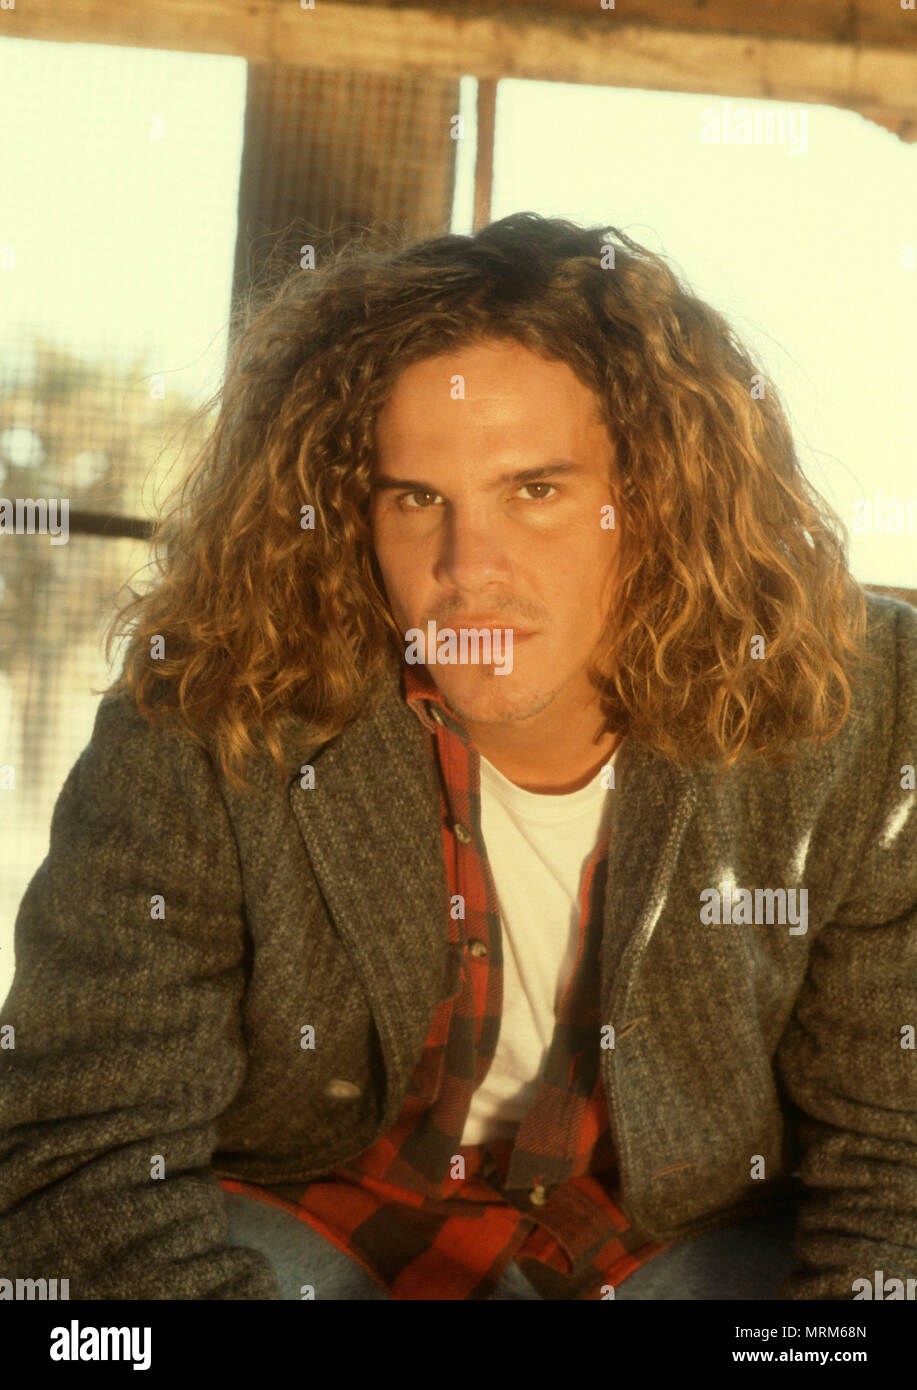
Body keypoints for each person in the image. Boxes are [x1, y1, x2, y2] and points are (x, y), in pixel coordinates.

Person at [1, 213, 915, 1301]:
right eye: (416, 498)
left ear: (662, 498)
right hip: (309, 1201)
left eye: (536, 490)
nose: (467, 567)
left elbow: (896, 1163)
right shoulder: (214, 695)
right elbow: (81, 1148)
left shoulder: (866, 701)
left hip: (677, 1226)